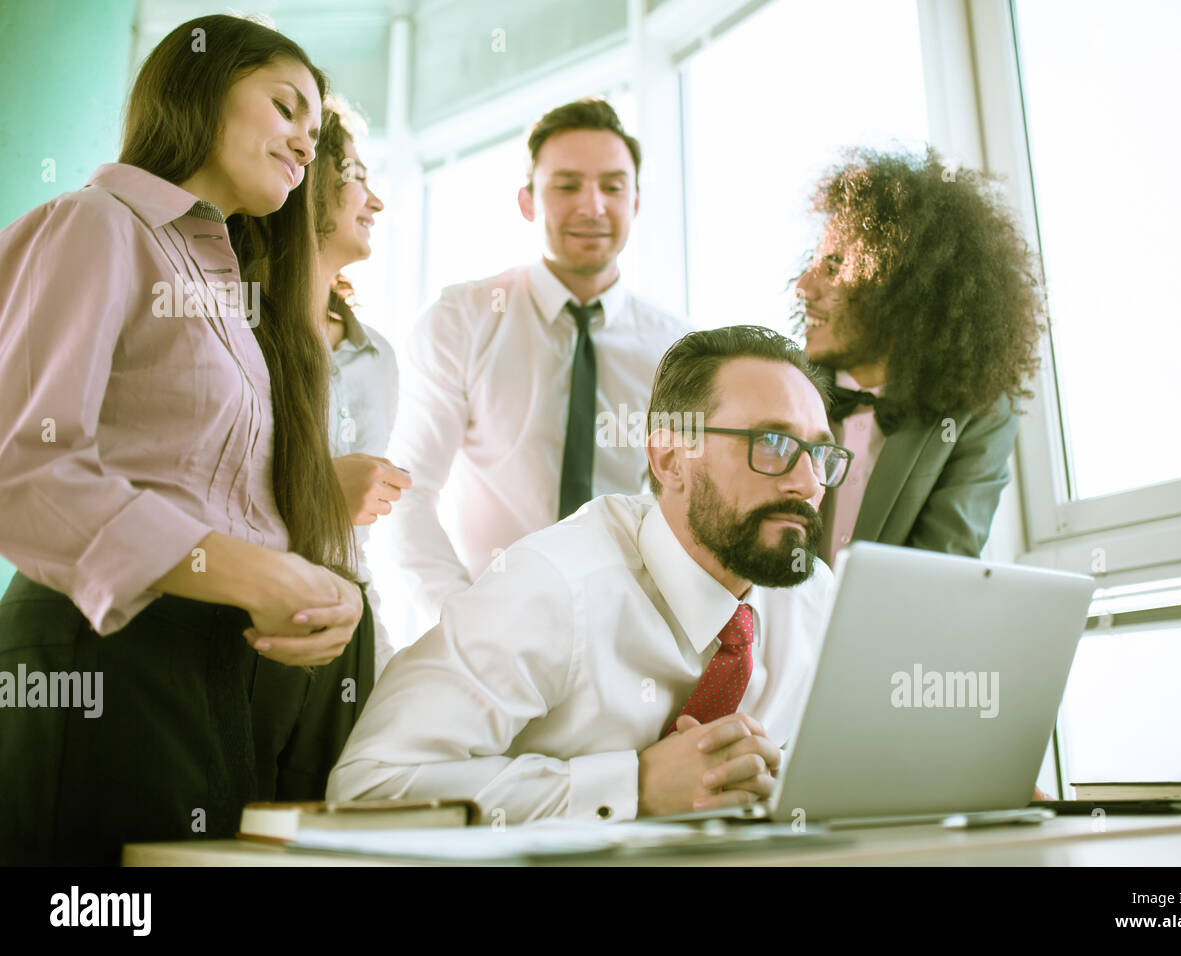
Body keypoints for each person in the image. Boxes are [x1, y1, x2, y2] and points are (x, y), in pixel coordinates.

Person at [0, 15, 367, 865]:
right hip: (103, 660)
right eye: (285, 108)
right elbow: (23, 466)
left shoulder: (228, 290)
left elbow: (227, 493)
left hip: (217, 670)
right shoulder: (96, 223)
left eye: (315, 136)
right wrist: (253, 570)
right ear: (201, 87)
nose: (304, 144)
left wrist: (320, 586)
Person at [329, 326, 845, 822]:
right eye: (771, 444)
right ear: (669, 461)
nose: (808, 482)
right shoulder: (552, 586)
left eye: (820, 453)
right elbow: (368, 786)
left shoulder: (818, 599)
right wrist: (632, 787)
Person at [385, 97, 691, 630]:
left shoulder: (678, 350)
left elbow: (686, 508)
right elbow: (407, 494)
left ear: (636, 201)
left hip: (626, 634)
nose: (592, 206)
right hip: (487, 627)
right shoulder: (461, 321)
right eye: (567, 185)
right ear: (528, 202)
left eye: (613, 186)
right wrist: (468, 622)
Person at [797, 147, 1045, 564]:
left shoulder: (980, 416)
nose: (804, 286)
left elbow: (938, 569)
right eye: (813, 263)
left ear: (903, 287)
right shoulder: (786, 390)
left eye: (835, 267)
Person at [310, 95, 407, 678]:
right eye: (357, 178)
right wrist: (319, 496)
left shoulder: (379, 359)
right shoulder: (239, 333)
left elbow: (355, 544)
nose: (375, 201)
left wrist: (378, 661)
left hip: (348, 624)